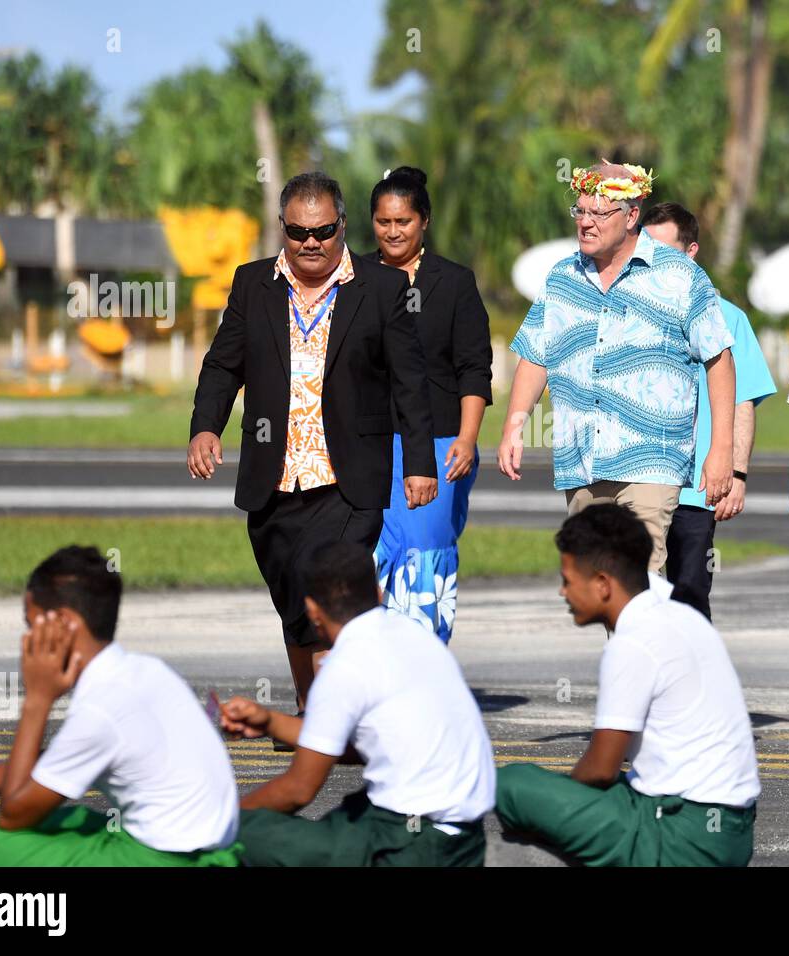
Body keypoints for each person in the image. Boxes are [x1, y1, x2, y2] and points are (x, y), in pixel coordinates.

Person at [188, 171, 438, 719]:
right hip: (272, 480)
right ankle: (312, 711)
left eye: (323, 231)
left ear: (342, 227)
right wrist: (206, 426)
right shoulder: (252, 284)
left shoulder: (382, 288)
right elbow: (222, 364)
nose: (311, 243)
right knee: (295, 601)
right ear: (283, 228)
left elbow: (409, 384)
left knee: (325, 589)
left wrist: (420, 464)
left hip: (348, 479)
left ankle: (336, 715)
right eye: (300, 231)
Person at [0, 546, 242, 867]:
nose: (27, 640)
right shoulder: (145, 670)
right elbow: (56, 764)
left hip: (159, 859)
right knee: (73, 817)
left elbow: (12, 816)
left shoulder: (101, 708)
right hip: (208, 852)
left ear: (64, 623)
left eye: (32, 625)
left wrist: (37, 700)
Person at [496, 161, 737, 571]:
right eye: (580, 211)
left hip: (651, 461)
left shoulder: (680, 276)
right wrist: (514, 426)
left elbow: (719, 359)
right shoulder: (561, 278)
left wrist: (722, 448)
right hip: (581, 459)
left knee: (639, 580)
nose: (586, 223)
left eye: (599, 213)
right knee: (596, 583)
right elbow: (536, 355)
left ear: (631, 216)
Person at [496, 504, 759, 866]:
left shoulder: (634, 642)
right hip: (730, 830)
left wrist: (558, 805)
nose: (562, 593)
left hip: (687, 837)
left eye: (568, 580)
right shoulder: (678, 610)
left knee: (514, 785)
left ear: (603, 584)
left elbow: (601, 769)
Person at [222, 540, 496, 867]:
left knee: (247, 836)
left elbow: (299, 790)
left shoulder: (345, 664)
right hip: (466, 838)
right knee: (349, 811)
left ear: (312, 612)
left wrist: (223, 824)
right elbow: (360, 745)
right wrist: (271, 722)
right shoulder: (414, 635)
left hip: (411, 844)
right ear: (378, 592)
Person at [369, 166, 493, 643]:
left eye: (403, 221)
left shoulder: (454, 282)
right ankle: (370, 671)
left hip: (441, 441)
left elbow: (474, 369)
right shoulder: (354, 276)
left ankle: (421, 666)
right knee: (371, 554)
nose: (393, 231)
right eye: (384, 222)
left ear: (425, 221)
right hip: (370, 442)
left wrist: (466, 437)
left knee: (424, 552)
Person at [640, 201, 777, 620]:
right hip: (639, 478)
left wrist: (737, 474)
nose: (654, 261)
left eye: (665, 251)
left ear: (691, 251)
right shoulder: (631, 310)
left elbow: (743, 401)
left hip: (697, 487)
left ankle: (692, 679)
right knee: (639, 593)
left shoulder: (727, 318)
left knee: (690, 595)